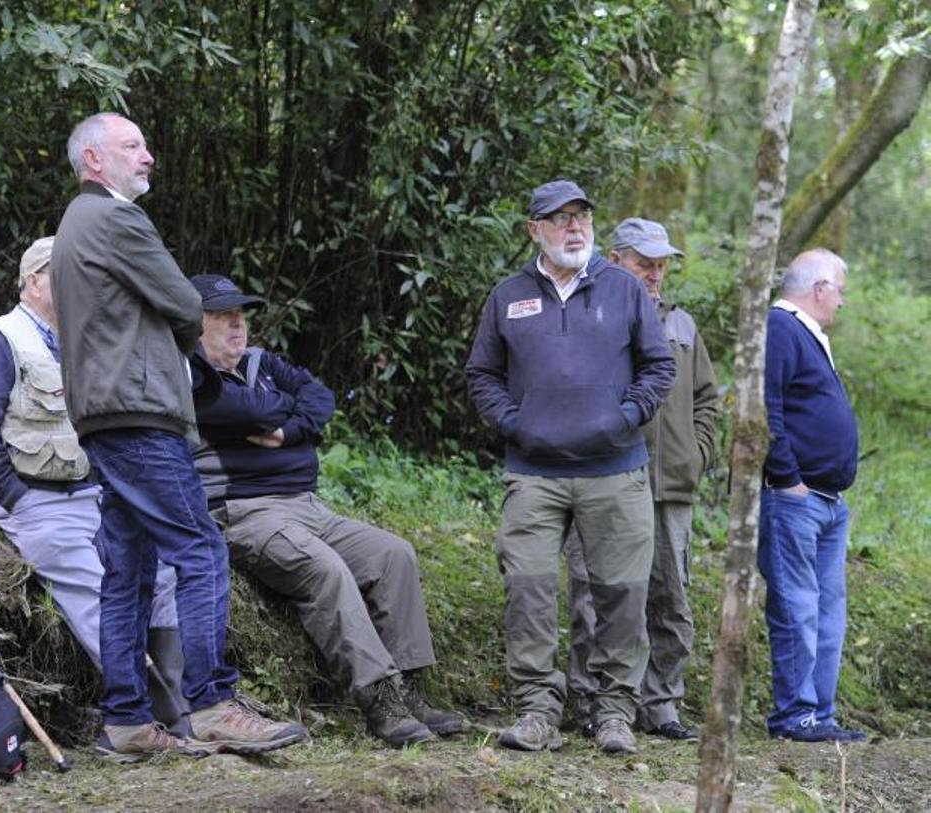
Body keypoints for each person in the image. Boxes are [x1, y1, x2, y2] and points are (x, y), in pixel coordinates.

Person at [51, 113, 307, 758]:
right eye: (132, 146)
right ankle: (213, 704)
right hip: (139, 413)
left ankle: (126, 720)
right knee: (201, 550)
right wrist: (180, 332)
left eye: (145, 144)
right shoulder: (116, 218)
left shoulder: (75, 224)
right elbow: (187, 304)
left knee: (129, 569)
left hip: (104, 415)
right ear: (93, 160)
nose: (148, 157)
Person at [187, 273, 466, 748]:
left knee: (393, 554)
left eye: (241, 315)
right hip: (246, 512)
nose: (238, 324)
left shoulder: (261, 362)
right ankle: (381, 701)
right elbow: (249, 412)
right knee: (325, 570)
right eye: (224, 316)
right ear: (195, 324)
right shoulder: (191, 376)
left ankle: (411, 692)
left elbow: (320, 397)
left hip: (309, 505)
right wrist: (282, 408)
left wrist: (287, 430)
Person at [465, 179, 675, 755]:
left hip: (615, 470)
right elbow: (481, 374)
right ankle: (536, 710)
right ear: (535, 230)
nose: (575, 227)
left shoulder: (624, 289)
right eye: (561, 219)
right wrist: (514, 423)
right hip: (534, 473)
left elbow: (659, 366)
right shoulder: (508, 296)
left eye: (582, 216)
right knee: (528, 589)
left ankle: (615, 714)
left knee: (621, 595)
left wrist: (624, 416)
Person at [0, 236, 188, 727]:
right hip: (35, 504)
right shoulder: (1, 340)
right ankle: (139, 713)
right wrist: (16, 498)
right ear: (34, 281)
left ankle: (181, 702)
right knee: (96, 588)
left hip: (93, 496)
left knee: (164, 573)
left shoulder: (84, 341)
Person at [563, 218, 719, 741]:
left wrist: (696, 454)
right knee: (596, 595)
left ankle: (660, 704)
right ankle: (591, 702)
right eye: (644, 263)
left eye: (661, 265)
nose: (654, 273)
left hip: (670, 487)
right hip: (602, 479)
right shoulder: (586, 313)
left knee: (671, 598)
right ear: (615, 260)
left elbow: (707, 400)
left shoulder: (683, 325)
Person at [758, 248, 864, 743]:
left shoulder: (807, 333)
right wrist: (787, 478)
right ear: (820, 289)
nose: (841, 301)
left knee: (826, 612)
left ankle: (820, 714)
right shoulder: (781, 327)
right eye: (839, 291)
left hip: (828, 500)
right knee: (796, 607)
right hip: (796, 499)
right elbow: (766, 406)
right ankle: (796, 715)